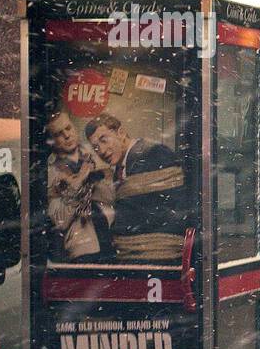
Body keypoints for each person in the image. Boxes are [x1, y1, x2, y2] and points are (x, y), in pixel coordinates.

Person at [84, 113, 188, 261]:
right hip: (136, 257)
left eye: (104, 140)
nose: (101, 150)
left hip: (159, 256)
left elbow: (164, 211)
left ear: (120, 133)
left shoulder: (154, 154)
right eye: (96, 147)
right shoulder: (120, 170)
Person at [45, 111, 115, 262]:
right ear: (52, 140)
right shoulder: (51, 172)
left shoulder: (97, 153)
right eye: (58, 134)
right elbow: (60, 221)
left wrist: (98, 176)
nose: (67, 136)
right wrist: (79, 181)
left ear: (74, 128)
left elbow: (113, 196)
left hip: (112, 239)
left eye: (68, 128)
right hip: (83, 249)